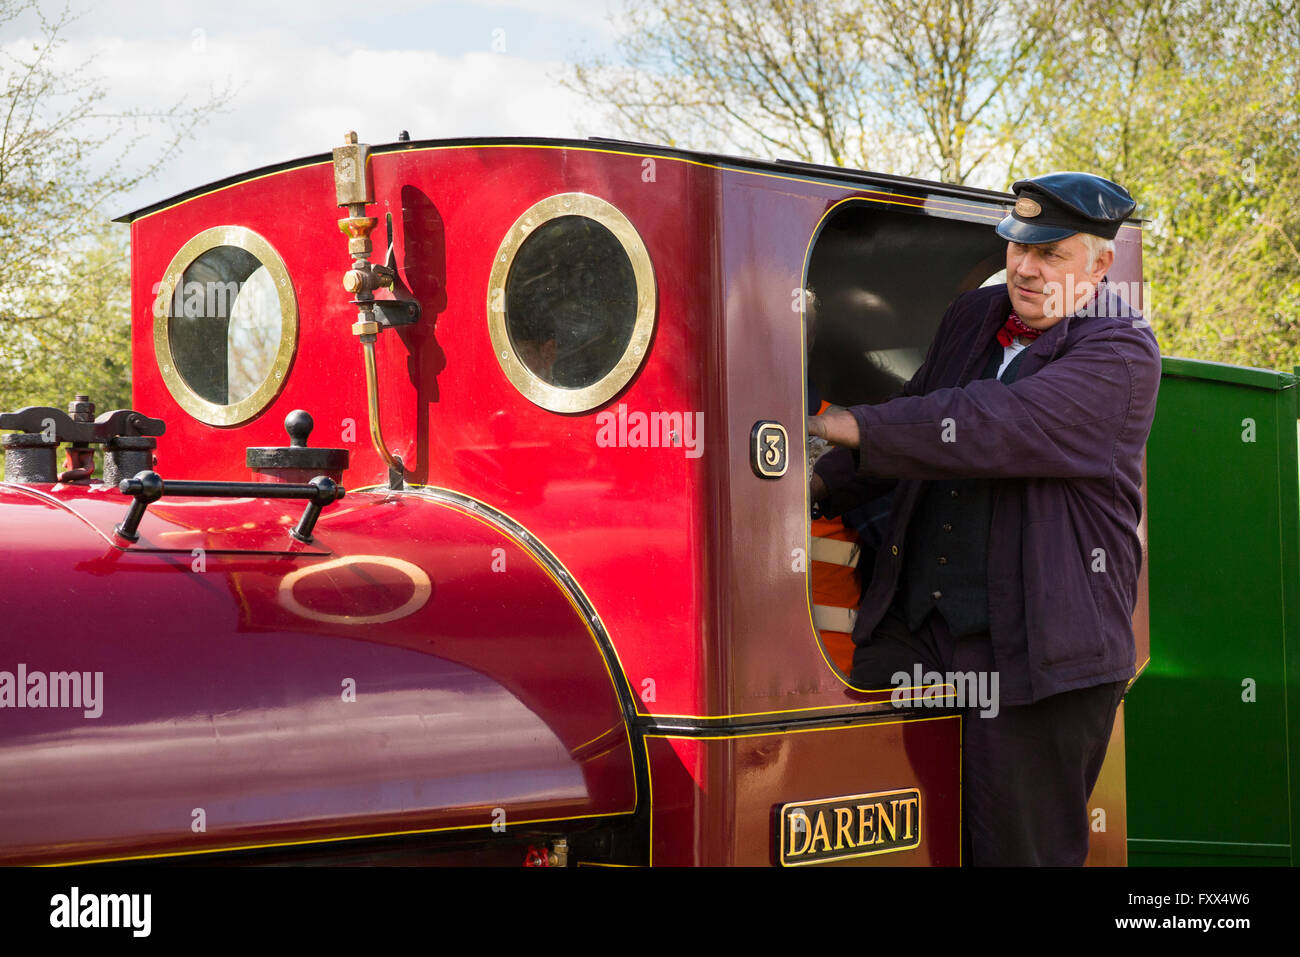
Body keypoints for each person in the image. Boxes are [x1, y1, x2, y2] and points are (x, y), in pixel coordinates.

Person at [808, 172, 1160, 866]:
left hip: (1037, 657)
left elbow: (987, 424)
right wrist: (806, 485)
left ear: (1099, 266)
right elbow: (917, 408)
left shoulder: (1121, 353)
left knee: (1016, 853)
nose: (1025, 267)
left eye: (1050, 253)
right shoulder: (974, 315)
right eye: (1017, 246)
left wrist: (839, 423)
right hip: (919, 633)